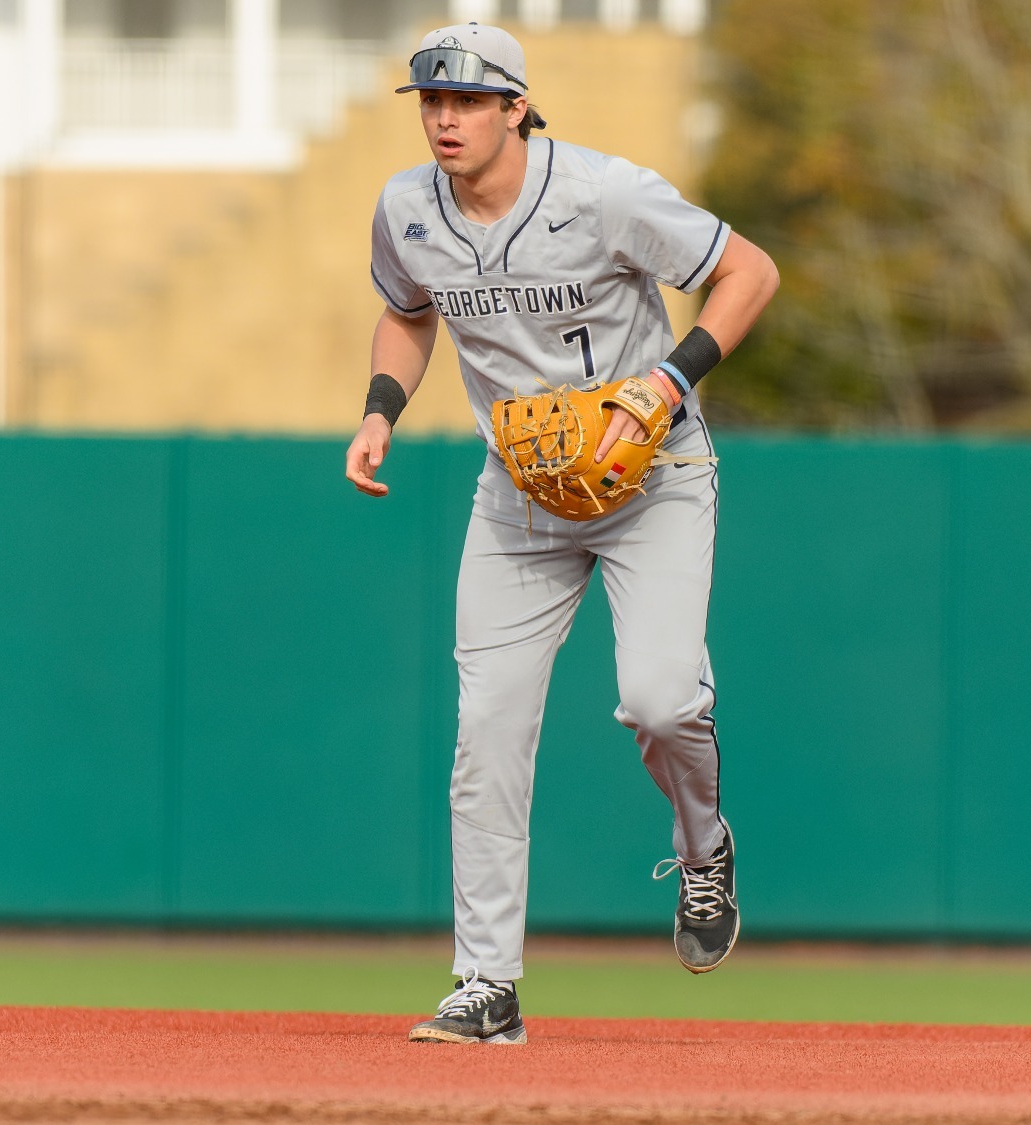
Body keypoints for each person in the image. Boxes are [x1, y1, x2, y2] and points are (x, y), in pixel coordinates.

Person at [345, 22, 779, 1046]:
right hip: (521, 493)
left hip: (652, 478)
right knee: (485, 733)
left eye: (463, 101)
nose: (443, 119)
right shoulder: (406, 210)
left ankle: (703, 845)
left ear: (514, 107)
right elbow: (408, 312)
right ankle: (485, 985)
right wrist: (376, 409)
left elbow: (748, 273)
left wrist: (668, 381)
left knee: (658, 700)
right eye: (429, 102)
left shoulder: (603, 193)